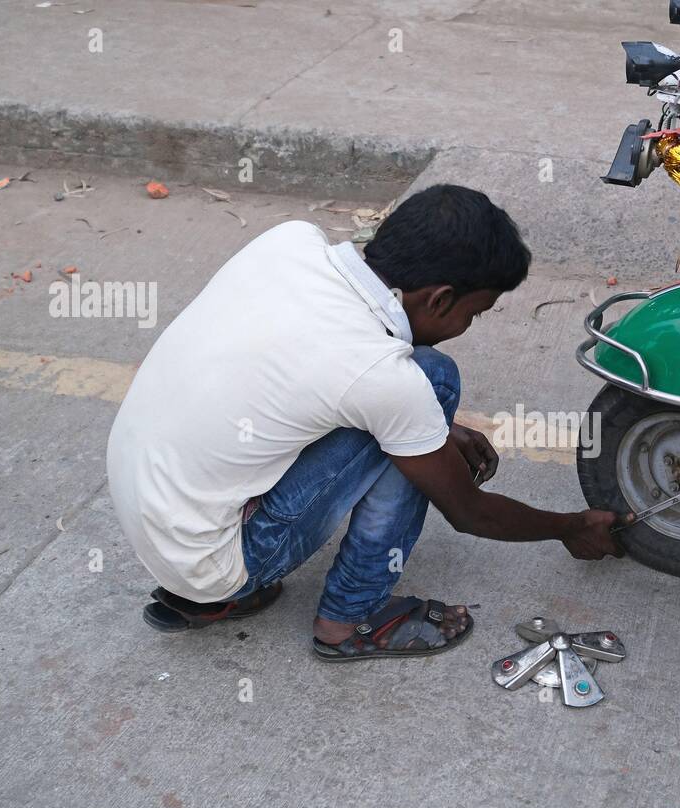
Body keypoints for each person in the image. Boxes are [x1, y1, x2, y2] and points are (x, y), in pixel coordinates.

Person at [106, 184, 624, 662]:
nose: (468, 326)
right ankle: (350, 619)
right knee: (433, 378)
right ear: (440, 298)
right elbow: (471, 514)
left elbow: (305, 375)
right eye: (475, 312)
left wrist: (429, 432)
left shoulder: (288, 241)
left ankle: (205, 591)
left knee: (408, 402)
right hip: (213, 559)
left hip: (157, 522)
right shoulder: (383, 379)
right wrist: (569, 527)